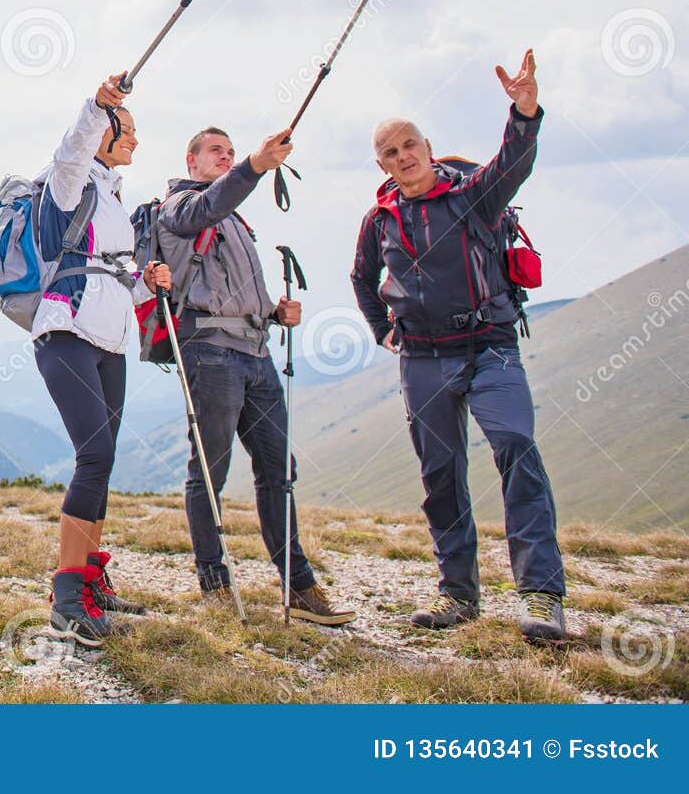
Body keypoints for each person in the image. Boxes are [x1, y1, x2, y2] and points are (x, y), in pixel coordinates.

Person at [351, 49, 566, 643]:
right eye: (390, 153)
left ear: (426, 145)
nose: (403, 157)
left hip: (490, 347)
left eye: (409, 145)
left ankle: (542, 597)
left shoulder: (473, 194)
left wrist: (524, 111)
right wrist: (380, 328)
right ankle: (457, 595)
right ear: (382, 164)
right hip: (420, 357)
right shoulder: (380, 219)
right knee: (440, 474)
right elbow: (360, 278)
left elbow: (513, 164)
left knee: (516, 447)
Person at [153, 125, 355, 624]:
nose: (225, 157)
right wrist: (255, 166)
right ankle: (215, 586)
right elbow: (207, 208)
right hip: (210, 353)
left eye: (230, 152)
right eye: (214, 151)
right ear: (191, 158)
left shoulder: (237, 221)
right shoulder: (179, 208)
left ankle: (301, 588)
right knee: (210, 472)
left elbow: (232, 287)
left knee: (277, 472)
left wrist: (272, 312)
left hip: (256, 353)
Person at [32, 72, 172, 647]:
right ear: (103, 137)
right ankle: (68, 597)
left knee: (103, 459)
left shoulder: (113, 194)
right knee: (95, 454)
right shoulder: (70, 182)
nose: (136, 141)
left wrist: (147, 282)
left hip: (110, 340)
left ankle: (91, 578)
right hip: (65, 331)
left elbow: (114, 279)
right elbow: (69, 151)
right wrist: (97, 106)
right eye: (127, 132)